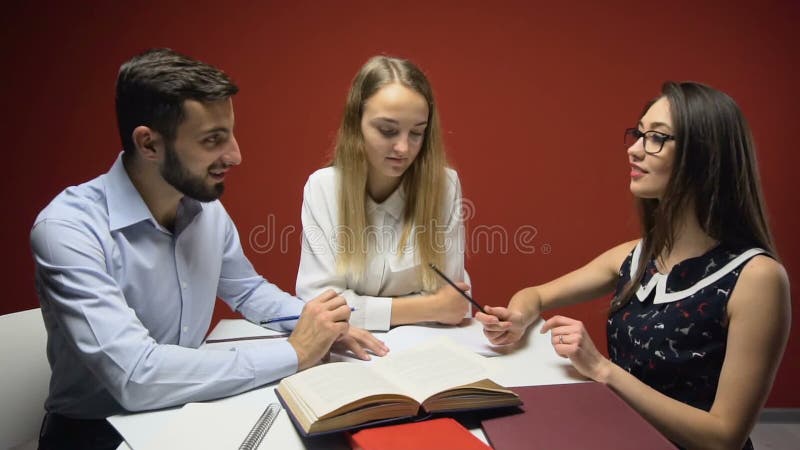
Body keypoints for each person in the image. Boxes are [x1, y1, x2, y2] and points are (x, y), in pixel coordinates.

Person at [30, 48, 382, 450]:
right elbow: (136, 377)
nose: (235, 155)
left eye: (230, 133)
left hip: (184, 413)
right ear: (148, 144)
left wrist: (318, 325)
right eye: (213, 140)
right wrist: (294, 352)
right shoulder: (68, 229)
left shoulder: (203, 209)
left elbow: (247, 290)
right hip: (95, 433)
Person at [476, 81, 790, 449]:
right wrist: (517, 318)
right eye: (638, 134)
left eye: (656, 138)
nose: (634, 150)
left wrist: (602, 370)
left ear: (704, 154)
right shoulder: (635, 256)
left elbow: (723, 438)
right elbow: (535, 295)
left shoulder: (758, 279)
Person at [296, 55, 471, 332]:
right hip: (350, 349)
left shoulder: (445, 185)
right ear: (356, 125)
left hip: (424, 347)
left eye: (417, 133)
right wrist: (427, 307)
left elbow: (452, 302)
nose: (403, 148)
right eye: (388, 130)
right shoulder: (323, 188)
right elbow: (319, 303)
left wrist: (364, 308)